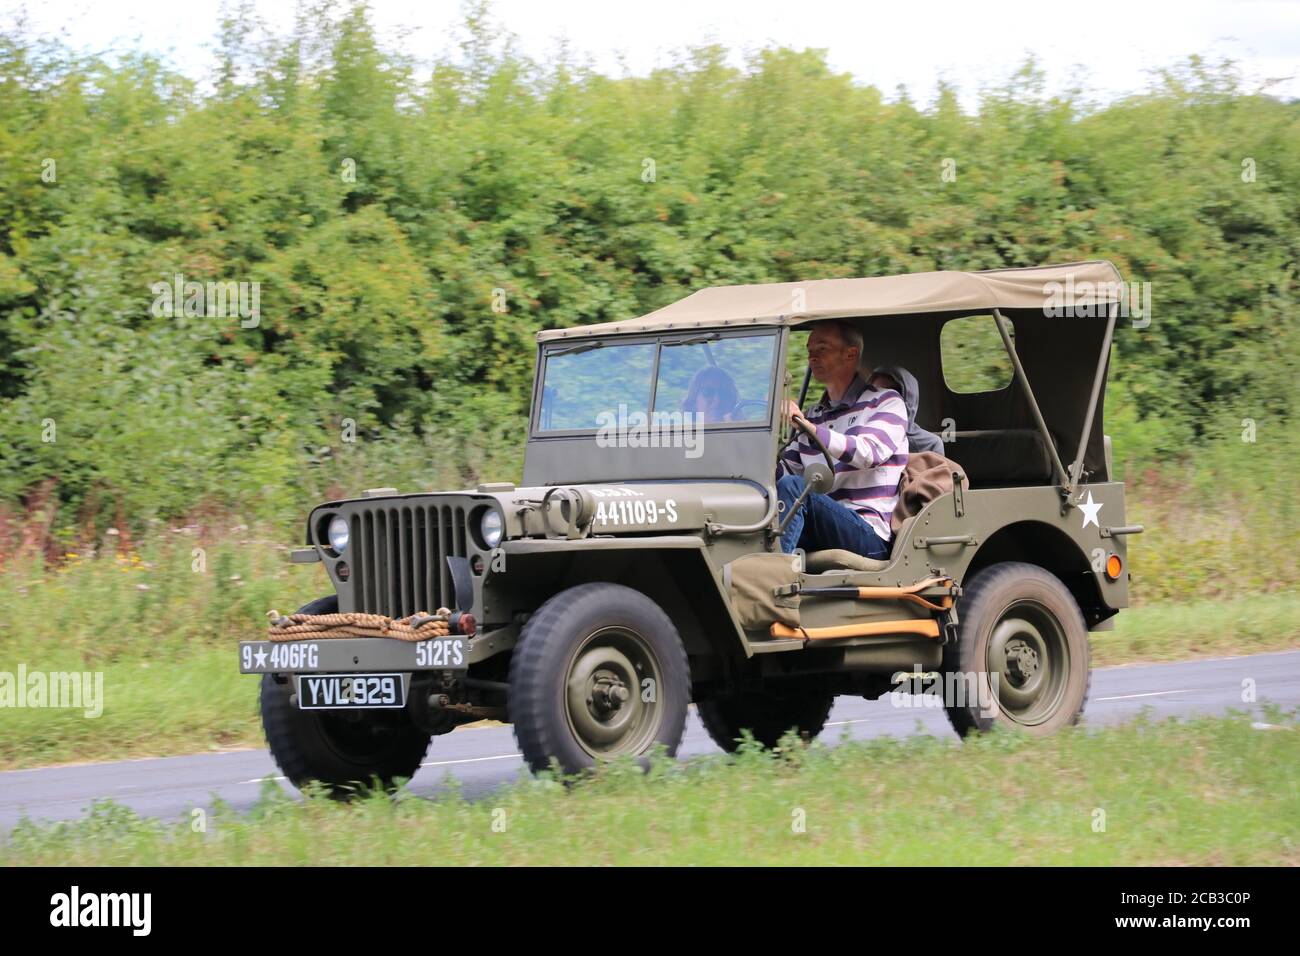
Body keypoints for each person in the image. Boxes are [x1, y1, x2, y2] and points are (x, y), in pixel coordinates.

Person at [776, 320, 909, 559]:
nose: (812, 357)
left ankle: (770, 581)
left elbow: (868, 453)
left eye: (822, 349)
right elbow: (786, 473)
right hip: (821, 526)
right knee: (760, 513)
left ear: (850, 354)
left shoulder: (886, 402)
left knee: (795, 490)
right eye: (809, 351)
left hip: (869, 534)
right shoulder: (815, 414)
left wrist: (808, 427)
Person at [868, 365, 945, 456]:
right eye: (875, 391)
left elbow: (938, 470)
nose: (881, 399)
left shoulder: (930, 443)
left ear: (908, 398)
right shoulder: (861, 439)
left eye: (890, 393)